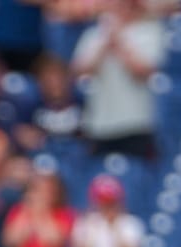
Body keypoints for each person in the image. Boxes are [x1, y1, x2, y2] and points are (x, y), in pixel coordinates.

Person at [70, 0, 164, 160]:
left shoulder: (151, 31)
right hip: (100, 124)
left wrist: (120, 42)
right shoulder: (94, 34)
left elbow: (144, 72)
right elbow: (78, 72)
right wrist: (105, 42)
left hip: (136, 124)